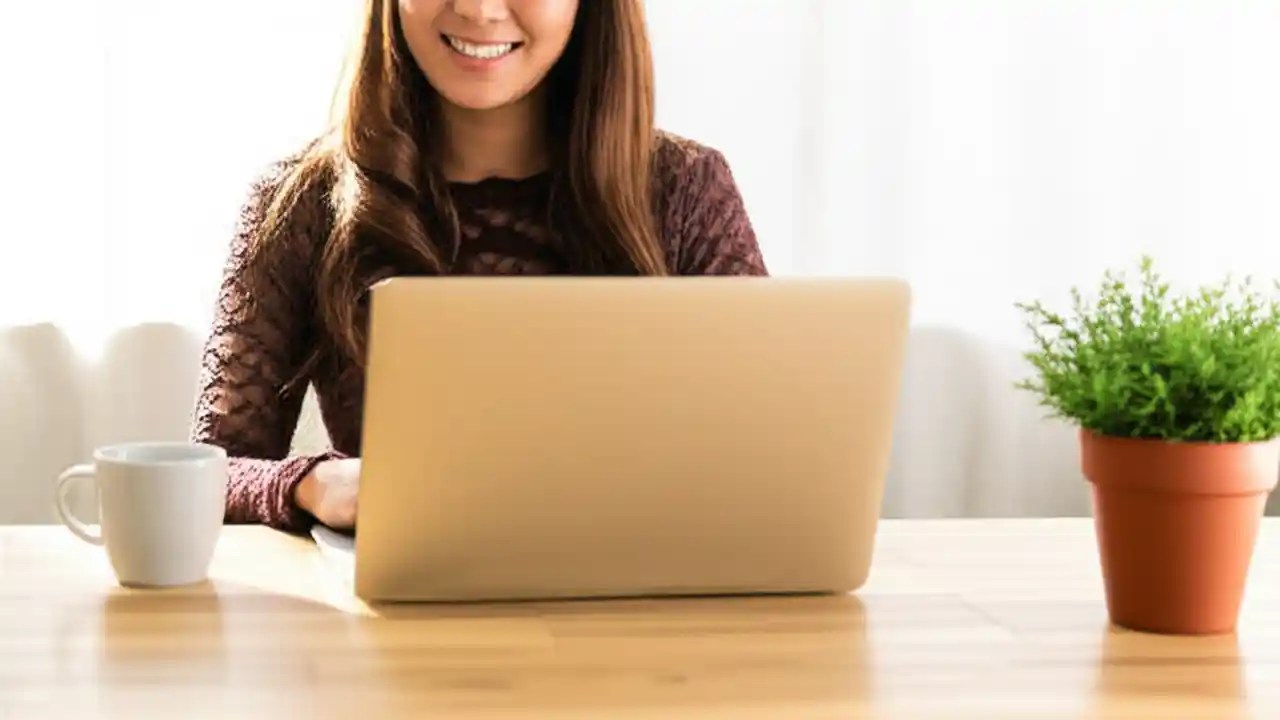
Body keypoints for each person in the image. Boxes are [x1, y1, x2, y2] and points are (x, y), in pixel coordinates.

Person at [191, 0, 768, 533]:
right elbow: (205, 474)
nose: (478, 9)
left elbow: (770, 461)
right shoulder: (300, 203)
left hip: (643, 617)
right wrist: (311, 485)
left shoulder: (687, 190)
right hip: (400, 621)